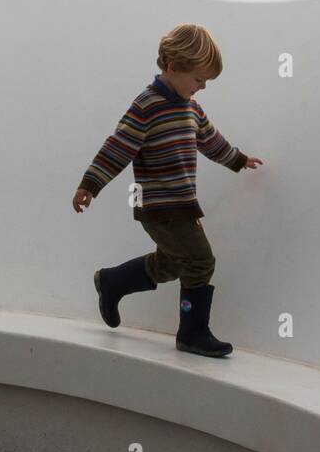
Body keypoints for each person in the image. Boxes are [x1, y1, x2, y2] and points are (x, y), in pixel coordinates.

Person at [72, 23, 262, 357]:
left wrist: (238, 159)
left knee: (174, 262)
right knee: (201, 260)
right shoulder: (147, 106)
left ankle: (112, 282)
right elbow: (118, 146)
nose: (202, 87)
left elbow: (210, 140)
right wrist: (91, 183)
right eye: (198, 79)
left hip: (183, 202)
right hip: (160, 206)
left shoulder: (191, 108)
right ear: (173, 68)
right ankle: (192, 333)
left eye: (205, 82)